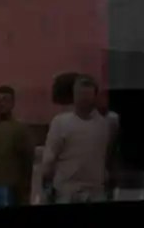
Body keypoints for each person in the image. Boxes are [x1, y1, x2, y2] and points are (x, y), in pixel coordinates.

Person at [42, 74, 112, 203]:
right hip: (67, 190)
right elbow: (49, 159)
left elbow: (49, 160)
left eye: (86, 95)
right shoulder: (60, 122)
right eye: (80, 94)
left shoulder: (104, 125)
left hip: (94, 190)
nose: (83, 99)